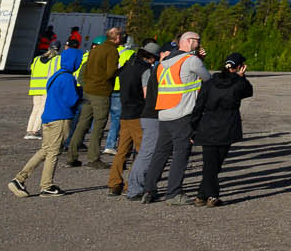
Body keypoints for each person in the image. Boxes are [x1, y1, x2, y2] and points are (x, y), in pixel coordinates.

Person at [126, 30, 206, 203]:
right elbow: (206, 79)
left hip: (164, 113)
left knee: (160, 153)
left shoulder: (163, 63)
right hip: (182, 113)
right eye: (197, 41)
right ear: (190, 41)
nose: (199, 44)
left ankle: (148, 189)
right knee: (180, 154)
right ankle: (173, 193)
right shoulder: (190, 60)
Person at [9, 45, 84, 196]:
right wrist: (80, 94)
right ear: (74, 61)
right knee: (54, 152)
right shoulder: (68, 78)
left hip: (48, 117)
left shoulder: (56, 75)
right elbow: (71, 100)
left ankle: (20, 178)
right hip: (60, 118)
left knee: (45, 150)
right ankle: (47, 185)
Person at [189, 53, 253, 206]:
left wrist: (193, 127)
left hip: (207, 126)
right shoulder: (238, 84)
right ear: (240, 67)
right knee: (216, 163)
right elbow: (249, 91)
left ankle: (201, 195)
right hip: (227, 127)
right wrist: (242, 76)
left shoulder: (210, 82)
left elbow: (199, 106)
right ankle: (212, 196)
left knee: (210, 163)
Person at [108, 38, 160, 195]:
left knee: (122, 151)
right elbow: (146, 94)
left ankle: (114, 183)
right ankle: (133, 184)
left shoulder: (126, 66)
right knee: (143, 151)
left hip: (125, 113)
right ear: (151, 57)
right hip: (139, 114)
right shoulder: (145, 70)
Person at [67, 29, 122, 169]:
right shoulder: (112, 51)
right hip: (101, 93)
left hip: (88, 91)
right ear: (117, 38)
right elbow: (110, 72)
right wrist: (120, 71)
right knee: (99, 125)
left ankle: (72, 155)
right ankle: (93, 158)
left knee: (82, 124)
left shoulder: (94, 50)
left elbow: (84, 71)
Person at [25, 41, 58, 137]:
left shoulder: (36, 59)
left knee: (35, 109)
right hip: (46, 88)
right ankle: (35, 131)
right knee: (42, 109)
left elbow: (32, 69)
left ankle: (29, 130)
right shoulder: (56, 59)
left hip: (35, 88)